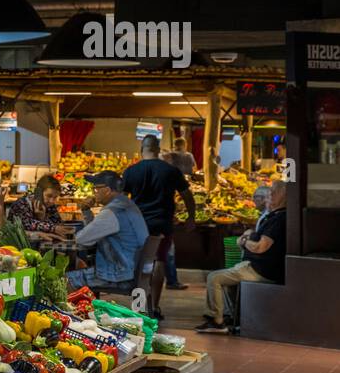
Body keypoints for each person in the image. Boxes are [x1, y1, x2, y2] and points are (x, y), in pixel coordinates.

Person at [197, 180, 287, 334]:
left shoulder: (279, 219)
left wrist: (245, 242)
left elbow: (260, 247)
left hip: (260, 270)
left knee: (214, 277)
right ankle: (235, 318)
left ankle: (216, 322)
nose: (269, 195)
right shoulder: (274, 216)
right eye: (270, 192)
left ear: (284, 197)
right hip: (255, 266)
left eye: (274, 192)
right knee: (230, 283)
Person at [123, 135, 197, 303]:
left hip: (137, 225)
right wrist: (191, 217)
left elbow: (121, 200)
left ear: (142, 150)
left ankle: (139, 305)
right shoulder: (171, 171)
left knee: (140, 263)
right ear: (158, 149)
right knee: (159, 261)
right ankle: (155, 306)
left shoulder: (130, 171)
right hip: (163, 224)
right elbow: (187, 196)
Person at [66, 171, 151, 292]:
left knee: (65, 280)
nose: (93, 193)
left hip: (120, 275)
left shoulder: (112, 212)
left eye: (95, 189)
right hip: (135, 271)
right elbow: (94, 234)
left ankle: (64, 311)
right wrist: (86, 211)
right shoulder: (128, 204)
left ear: (106, 190)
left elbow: (81, 240)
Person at [5, 174, 74, 236]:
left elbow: (58, 224)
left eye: (55, 197)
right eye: (49, 196)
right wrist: (53, 228)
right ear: (38, 192)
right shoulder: (20, 204)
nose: (52, 201)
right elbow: (27, 225)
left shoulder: (50, 205)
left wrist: (42, 218)